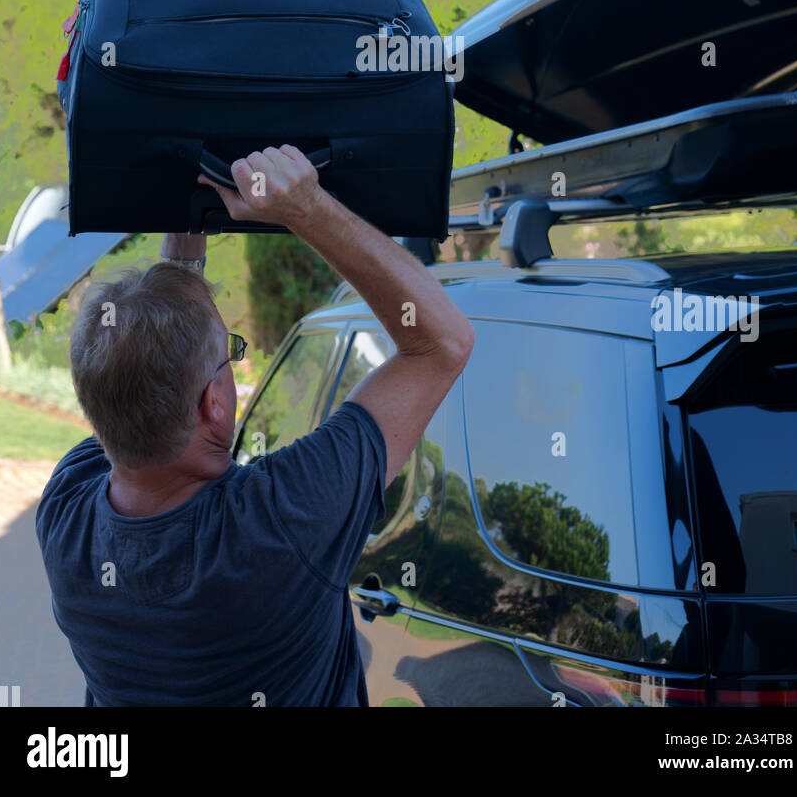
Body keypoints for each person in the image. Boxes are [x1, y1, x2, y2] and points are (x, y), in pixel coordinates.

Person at [35, 145, 474, 706]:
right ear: (214, 404)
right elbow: (442, 343)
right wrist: (306, 208)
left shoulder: (65, 514)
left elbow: (137, 384)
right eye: (230, 353)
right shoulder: (277, 524)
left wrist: (189, 213)